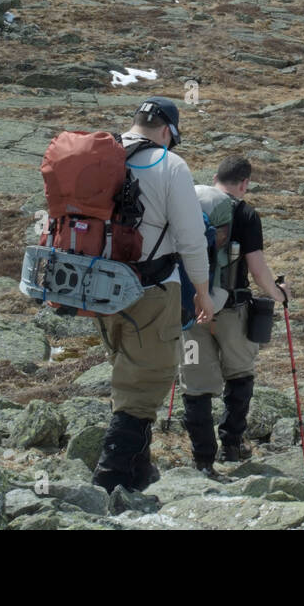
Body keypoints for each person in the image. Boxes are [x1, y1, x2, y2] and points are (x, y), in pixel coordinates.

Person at [93, 97, 213, 494]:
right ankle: (111, 480)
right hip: (151, 288)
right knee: (145, 384)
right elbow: (191, 239)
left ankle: (139, 474)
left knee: (128, 374)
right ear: (168, 132)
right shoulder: (169, 165)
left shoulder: (102, 152)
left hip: (99, 287)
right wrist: (202, 291)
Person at [180, 156, 285, 474]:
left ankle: (202, 459)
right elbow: (256, 268)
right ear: (244, 184)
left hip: (190, 312)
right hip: (230, 310)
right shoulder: (245, 213)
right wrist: (278, 295)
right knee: (240, 374)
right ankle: (231, 446)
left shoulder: (186, 203)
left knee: (195, 384)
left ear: (215, 177)